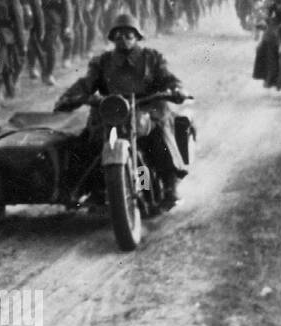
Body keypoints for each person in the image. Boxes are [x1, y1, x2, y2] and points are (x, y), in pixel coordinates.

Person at [54, 13, 189, 209]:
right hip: (111, 113)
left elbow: (169, 78)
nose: (123, 39)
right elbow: (86, 84)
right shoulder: (102, 62)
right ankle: (93, 188)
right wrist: (69, 98)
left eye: (128, 35)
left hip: (146, 110)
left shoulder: (152, 58)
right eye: (118, 35)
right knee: (87, 143)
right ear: (112, 39)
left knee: (159, 136)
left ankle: (170, 185)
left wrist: (177, 90)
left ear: (137, 37)